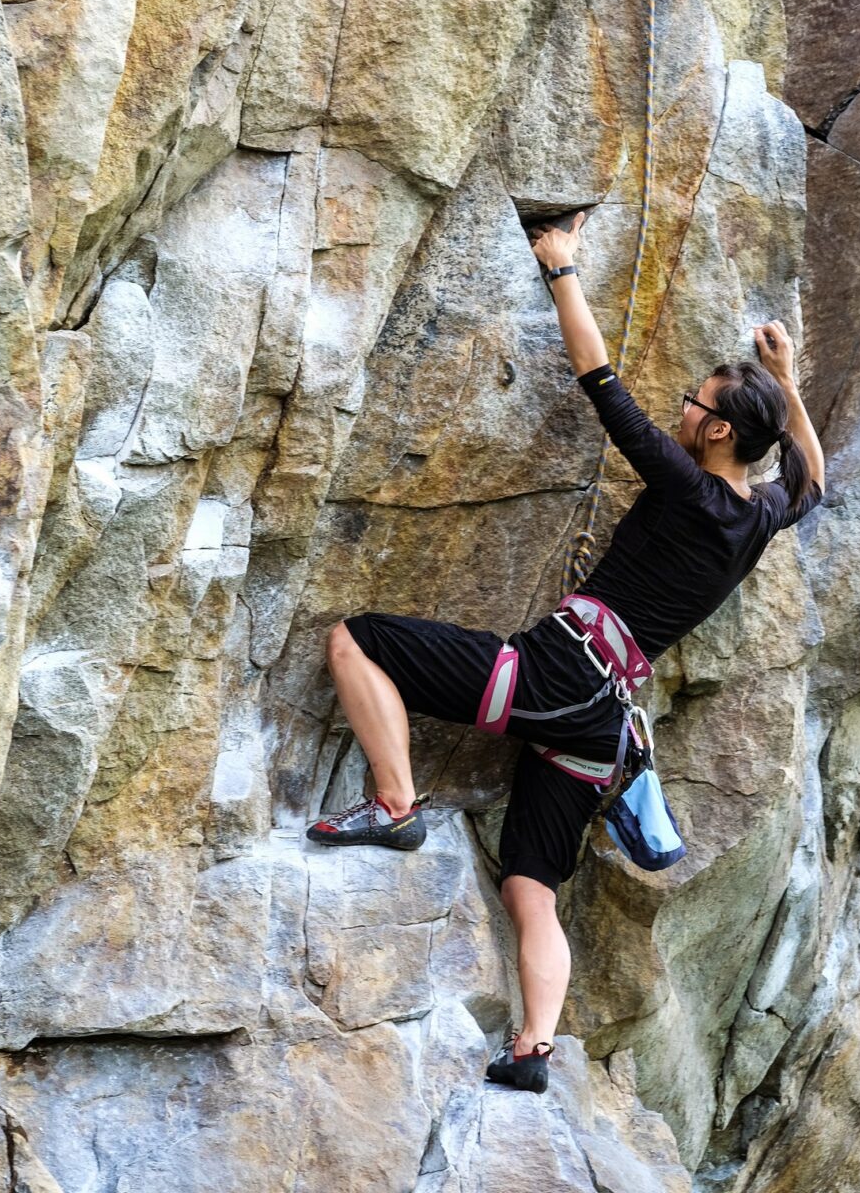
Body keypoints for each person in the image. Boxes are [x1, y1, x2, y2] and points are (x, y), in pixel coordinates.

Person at [306, 210, 826, 1094]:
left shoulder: (690, 489)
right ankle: (532, 1048)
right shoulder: (758, 514)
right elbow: (812, 474)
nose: (683, 407)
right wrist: (785, 382)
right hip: (603, 724)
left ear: (716, 436)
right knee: (530, 883)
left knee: (357, 639)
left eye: (695, 403)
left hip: (557, 676)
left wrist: (562, 268)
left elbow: (601, 379)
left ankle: (394, 803)